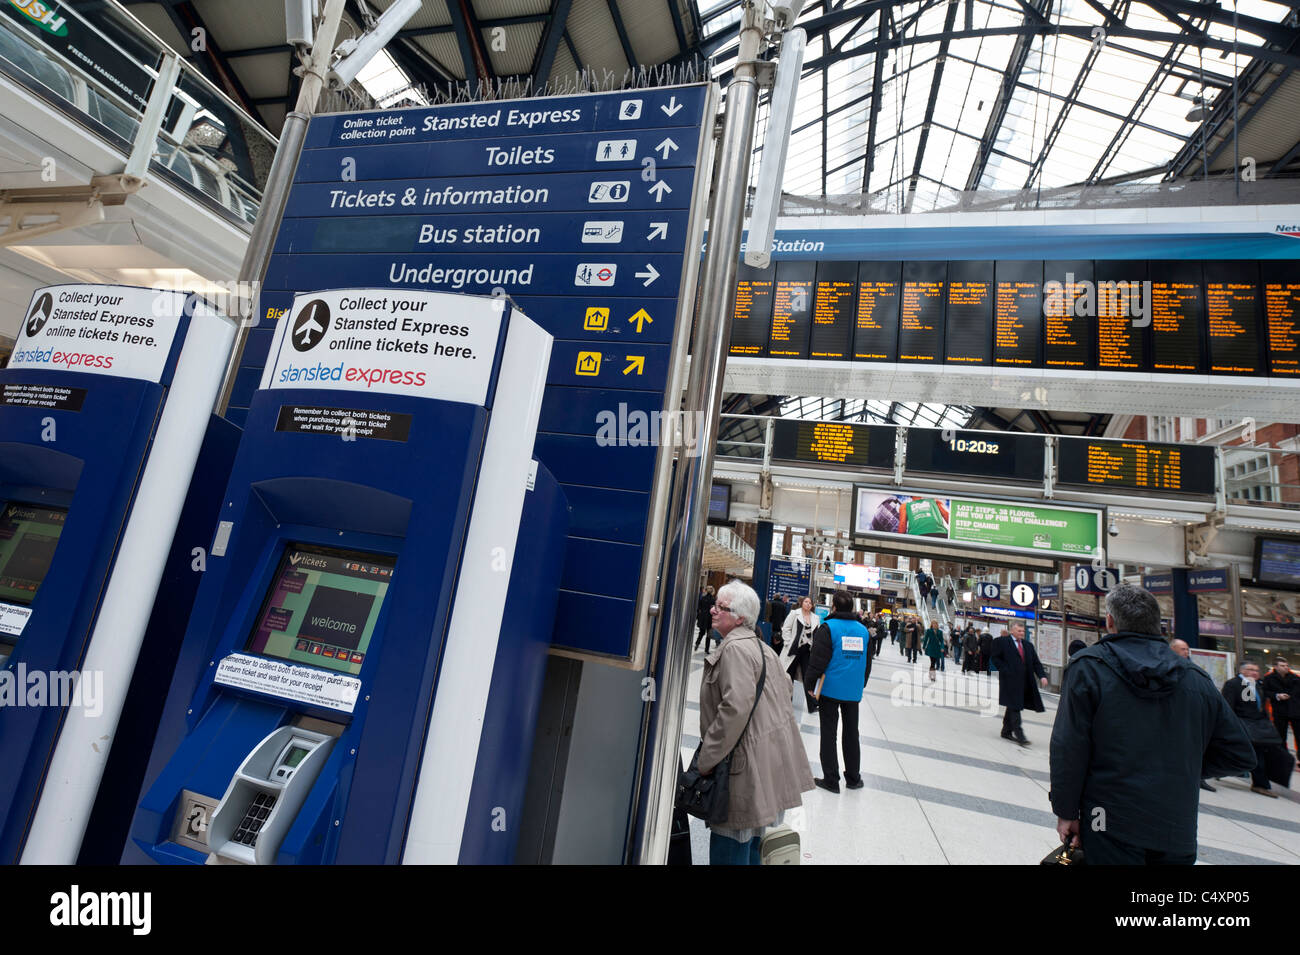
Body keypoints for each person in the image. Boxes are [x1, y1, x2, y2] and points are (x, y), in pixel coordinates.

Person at [1050, 583, 1257, 864]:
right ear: (1156, 625)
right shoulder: (1196, 679)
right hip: (1176, 828)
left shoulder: (1089, 667)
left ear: (1110, 621)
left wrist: (1066, 811)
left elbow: (1069, 745)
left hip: (1108, 821)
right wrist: (1182, 769)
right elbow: (1240, 754)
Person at [697, 580, 814, 865]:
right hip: (766, 763)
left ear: (739, 617)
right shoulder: (761, 648)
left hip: (740, 768)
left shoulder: (734, 649)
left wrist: (706, 758)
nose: (713, 611)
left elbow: (734, 708)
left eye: (720, 607)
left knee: (730, 845)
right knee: (751, 845)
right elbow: (785, 689)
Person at [803, 591, 869, 793]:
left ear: (833, 607)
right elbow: (867, 664)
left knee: (829, 733)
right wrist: (861, 684)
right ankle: (853, 778)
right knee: (851, 734)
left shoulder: (828, 628)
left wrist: (810, 685)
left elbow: (817, 661)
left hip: (830, 690)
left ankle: (831, 780)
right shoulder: (863, 630)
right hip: (853, 691)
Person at [1223, 661, 1292, 797]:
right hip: (1244, 725)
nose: (1254, 672)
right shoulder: (1234, 684)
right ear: (1242, 671)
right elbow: (1228, 706)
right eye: (1250, 669)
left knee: (1275, 753)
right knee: (1257, 753)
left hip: (1260, 726)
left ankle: (1252, 777)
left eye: (1256, 670)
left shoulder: (1257, 684)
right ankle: (1260, 784)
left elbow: (1260, 705)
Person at [989, 620, 1047, 745]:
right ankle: (1020, 736)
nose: (1021, 633)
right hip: (1010, 680)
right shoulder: (1002, 642)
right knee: (1015, 706)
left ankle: (1006, 731)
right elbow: (995, 657)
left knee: (1013, 704)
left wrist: (1042, 676)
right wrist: (1005, 669)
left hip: (1024, 682)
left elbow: (1036, 662)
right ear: (1012, 631)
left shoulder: (1028, 646)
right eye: (1019, 631)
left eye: (1023, 631)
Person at [782, 596, 821, 715]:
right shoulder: (794, 613)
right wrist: (787, 642)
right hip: (794, 649)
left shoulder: (816, 618)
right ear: (802, 603)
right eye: (806, 602)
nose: (808, 604)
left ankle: (811, 705)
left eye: (810, 602)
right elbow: (786, 628)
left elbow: (816, 634)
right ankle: (786, 701)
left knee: (808, 677)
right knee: (789, 675)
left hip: (807, 651)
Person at [1262, 658, 1300, 756]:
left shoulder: (1295, 677)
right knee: (1281, 736)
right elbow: (1265, 692)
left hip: (1295, 711)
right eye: (1282, 666)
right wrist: (1277, 696)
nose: (1286, 668)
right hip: (1279, 711)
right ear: (1275, 667)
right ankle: (1283, 757)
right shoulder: (1268, 678)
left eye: (1287, 665)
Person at [694, 585, 716, 652]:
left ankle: (697, 643)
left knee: (701, 632)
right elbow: (714, 610)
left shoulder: (703, 598)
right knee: (708, 635)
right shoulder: (713, 599)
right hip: (709, 618)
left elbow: (698, 608)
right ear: (712, 591)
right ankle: (706, 649)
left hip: (702, 618)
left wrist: (699, 617)